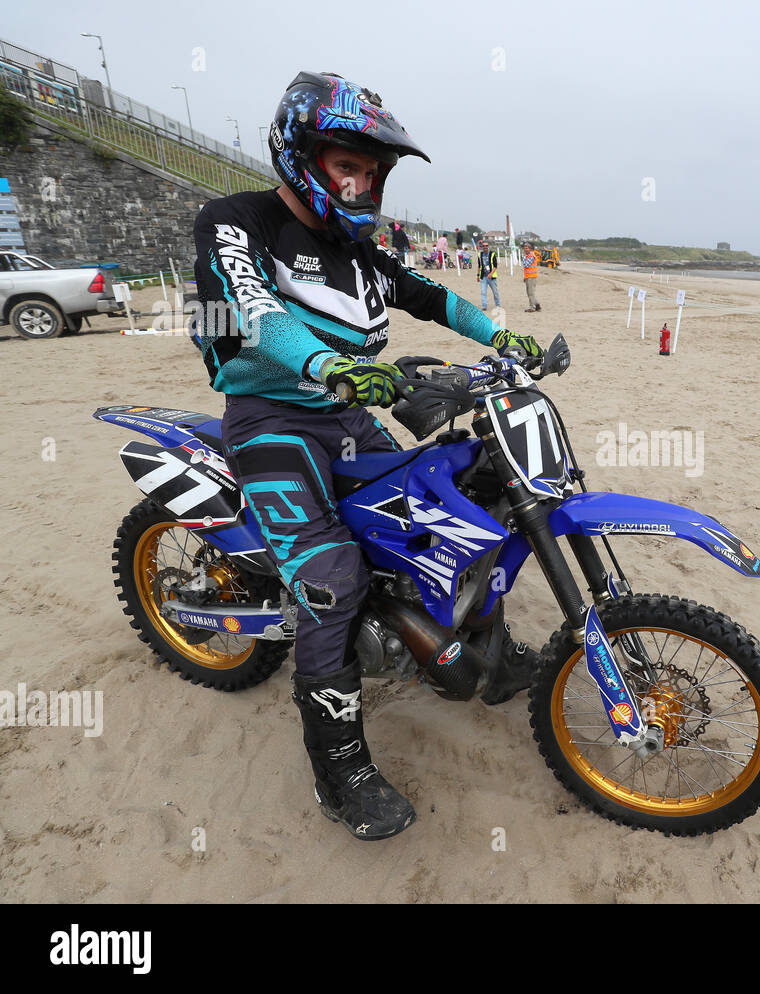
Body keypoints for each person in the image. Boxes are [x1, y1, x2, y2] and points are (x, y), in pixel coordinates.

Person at [192, 70, 545, 842]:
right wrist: (327, 365)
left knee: (463, 501)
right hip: (271, 421)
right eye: (344, 165)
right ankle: (339, 768)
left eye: (371, 171)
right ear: (300, 154)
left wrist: (502, 336)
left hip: (345, 414)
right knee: (331, 579)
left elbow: (432, 296)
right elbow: (249, 307)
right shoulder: (234, 220)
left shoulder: (361, 248)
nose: (360, 183)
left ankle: (492, 651)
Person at [477, 238, 500, 310]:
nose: (485, 247)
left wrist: (491, 274)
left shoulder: (492, 254)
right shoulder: (479, 254)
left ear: (488, 246)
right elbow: (479, 265)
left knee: (495, 292)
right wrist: (477, 275)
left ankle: (498, 305)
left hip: (491, 277)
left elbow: (495, 266)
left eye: (486, 245)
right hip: (483, 276)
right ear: (482, 247)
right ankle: (484, 306)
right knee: (483, 292)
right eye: (483, 246)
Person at [522, 241, 541, 313]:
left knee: (530, 293)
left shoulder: (531, 256)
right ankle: (537, 305)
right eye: (525, 248)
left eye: (527, 248)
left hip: (532, 277)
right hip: (528, 277)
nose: (525, 249)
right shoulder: (528, 256)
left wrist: (523, 258)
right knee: (529, 293)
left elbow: (526, 265)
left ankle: (532, 307)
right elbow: (527, 269)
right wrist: (525, 277)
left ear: (530, 249)